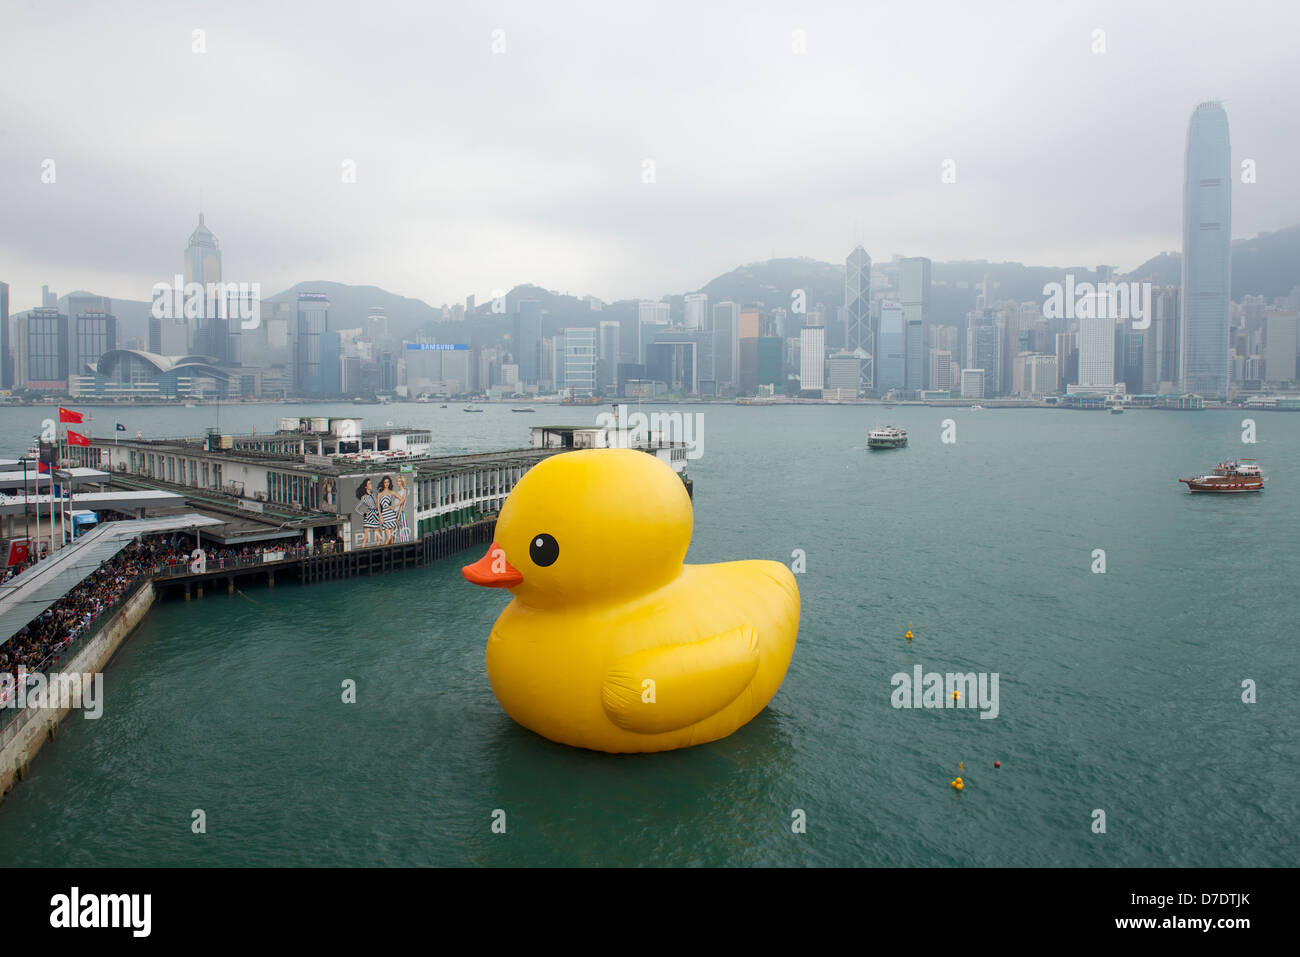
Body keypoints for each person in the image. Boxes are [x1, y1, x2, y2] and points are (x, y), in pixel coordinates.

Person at [354, 478, 380, 547]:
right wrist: (364, 514)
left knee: (379, 538)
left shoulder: (374, 494)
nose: (371, 485)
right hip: (369, 515)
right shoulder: (364, 497)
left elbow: (377, 504)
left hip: (376, 515)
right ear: (366, 486)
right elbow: (356, 508)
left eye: (371, 483)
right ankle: (362, 551)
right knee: (366, 537)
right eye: (369, 483)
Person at [377, 475, 398, 545]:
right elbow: (378, 507)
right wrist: (380, 517)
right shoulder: (379, 494)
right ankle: (384, 553)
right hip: (385, 516)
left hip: (391, 515)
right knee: (387, 538)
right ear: (383, 483)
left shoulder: (391, 492)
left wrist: (394, 507)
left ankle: (391, 554)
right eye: (385, 482)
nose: (387, 484)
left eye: (388, 482)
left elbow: (402, 499)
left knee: (392, 538)